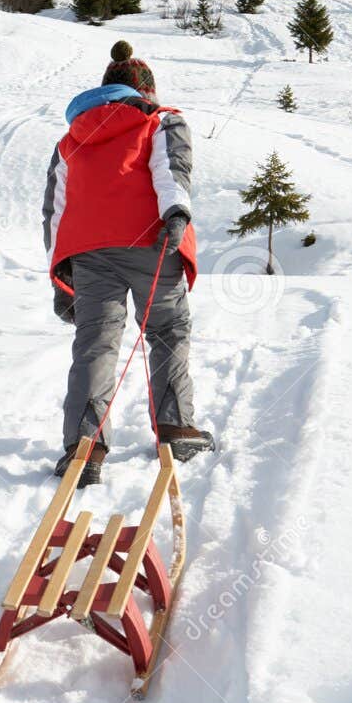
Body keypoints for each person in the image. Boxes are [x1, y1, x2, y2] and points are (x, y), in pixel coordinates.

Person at [42, 43, 215, 485]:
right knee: (167, 330)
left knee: (95, 344)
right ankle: (176, 428)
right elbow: (171, 171)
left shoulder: (69, 140)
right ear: (147, 91)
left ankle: (85, 449)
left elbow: (55, 210)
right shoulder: (160, 120)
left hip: (88, 253)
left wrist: (61, 272)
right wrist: (176, 213)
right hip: (151, 240)